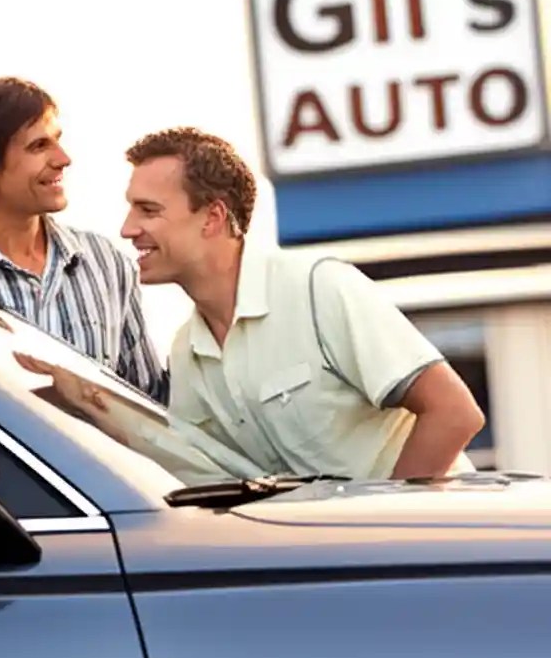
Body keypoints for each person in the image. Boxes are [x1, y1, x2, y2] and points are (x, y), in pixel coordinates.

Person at [24, 125, 484, 481]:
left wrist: (385, 535)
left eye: (149, 210)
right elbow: (201, 470)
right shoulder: (188, 352)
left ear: (213, 217)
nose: (127, 229)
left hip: (435, 550)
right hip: (329, 561)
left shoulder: (319, 289)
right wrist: (81, 397)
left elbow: (455, 412)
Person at [0, 77, 169, 404]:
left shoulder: (106, 263)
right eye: (39, 146)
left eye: (57, 140)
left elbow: (147, 403)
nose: (63, 159)